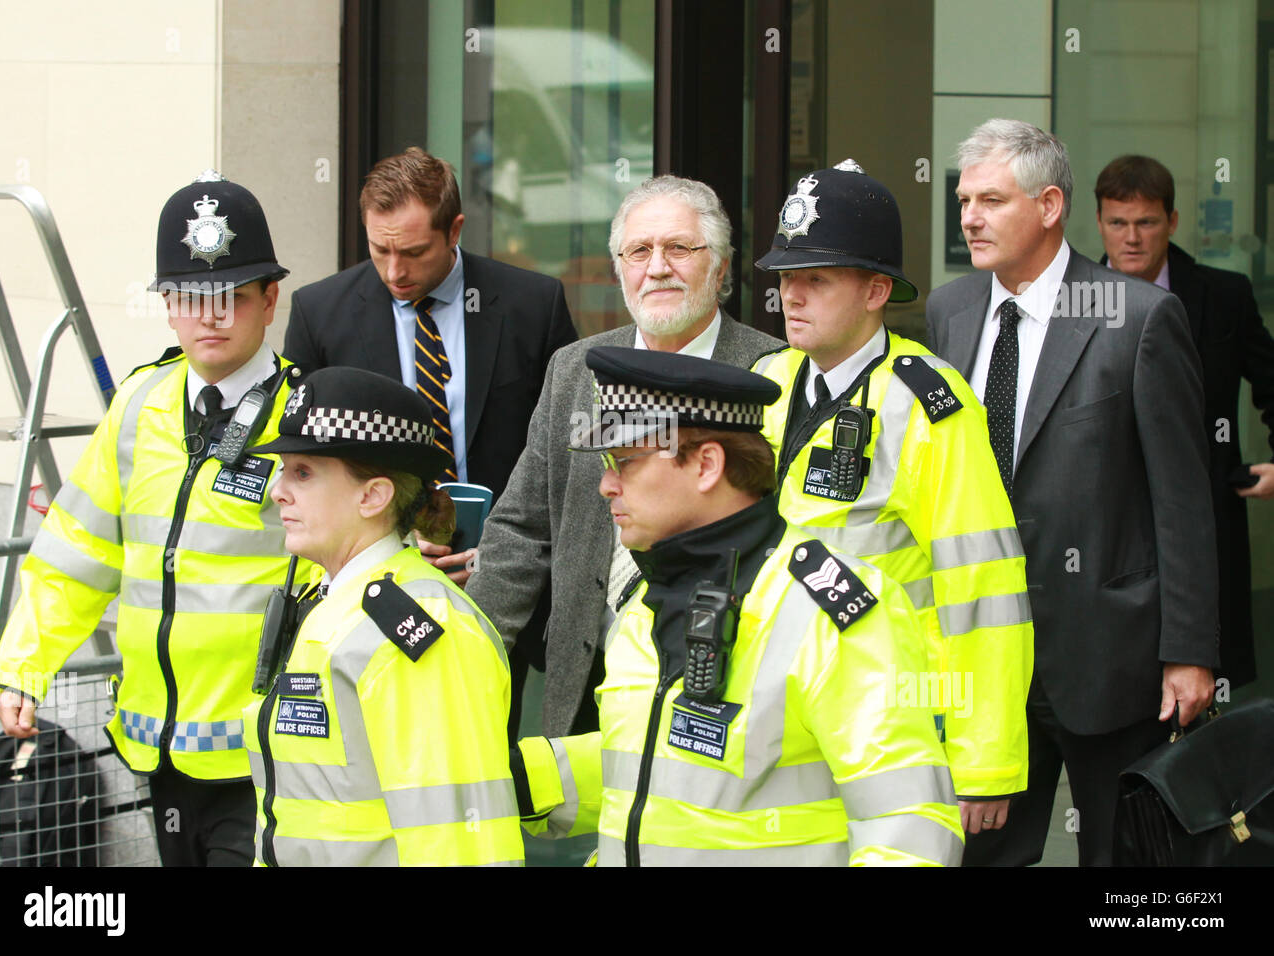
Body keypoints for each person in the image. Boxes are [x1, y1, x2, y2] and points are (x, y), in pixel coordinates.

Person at [511, 346, 963, 866]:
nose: (606, 484)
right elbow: (660, 761)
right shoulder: (647, 598)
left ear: (706, 464)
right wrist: (518, 780)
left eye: (626, 461)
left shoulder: (832, 611)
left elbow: (909, 832)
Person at [0, 171, 306, 866]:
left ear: (270, 299)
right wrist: (21, 668)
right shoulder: (137, 406)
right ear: (167, 304)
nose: (210, 315)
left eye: (231, 296)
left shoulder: (307, 418)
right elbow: (76, 553)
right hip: (159, 748)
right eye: (191, 296)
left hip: (264, 754)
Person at [925, 119, 1219, 866]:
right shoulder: (948, 313)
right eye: (964, 200)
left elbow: (1182, 498)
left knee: (1127, 870)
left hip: (1109, 655)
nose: (968, 217)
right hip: (983, 655)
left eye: (991, 200)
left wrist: (1190, 651)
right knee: (985, 859)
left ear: (1050, 205)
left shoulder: (1139, 317)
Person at [751, 161, 1033, 839]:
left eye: (816, 279)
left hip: (885, 714)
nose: (792, 296)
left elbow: (984, 588)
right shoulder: (766, 382)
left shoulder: (928, 405)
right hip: (775, 712)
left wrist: (983, 763)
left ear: (877, 290)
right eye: (787, 278)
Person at [466, 176, 782, 738]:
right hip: (583, 677)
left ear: (722, 267)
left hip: (717, 675)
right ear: (619, 269)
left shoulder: (773, 372)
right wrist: (468, 653)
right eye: (639, 251)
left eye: (679, 248)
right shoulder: (574, 369)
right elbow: (520, 529)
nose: (657, 267)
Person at [284, 146, 576, 738]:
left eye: (414, 252)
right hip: (374, 572)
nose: (394, 271)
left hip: (500, 579)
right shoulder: (320, 312)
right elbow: (300, 464)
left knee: (484, 747)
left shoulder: (531, 305)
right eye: (378, 250)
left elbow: (563, 448)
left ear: (456, 230)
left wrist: (503, 555)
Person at [243, 367, 521, 866]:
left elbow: (455, 838)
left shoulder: (418, 626)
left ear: (373, 495)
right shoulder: (331, 597)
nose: (277, 491)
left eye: (302, 473)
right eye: (283, 470)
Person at [1095, 154, 1274, 689]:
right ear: (1099, 223)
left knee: (1207, 696)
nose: (1131, 238)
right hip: (1100, 526)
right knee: (1108, 688)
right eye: (1117, 223)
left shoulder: (1223, 296)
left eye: (1146, 222)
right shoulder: (1067, 300)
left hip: (1203, 521)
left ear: (1171, 222)